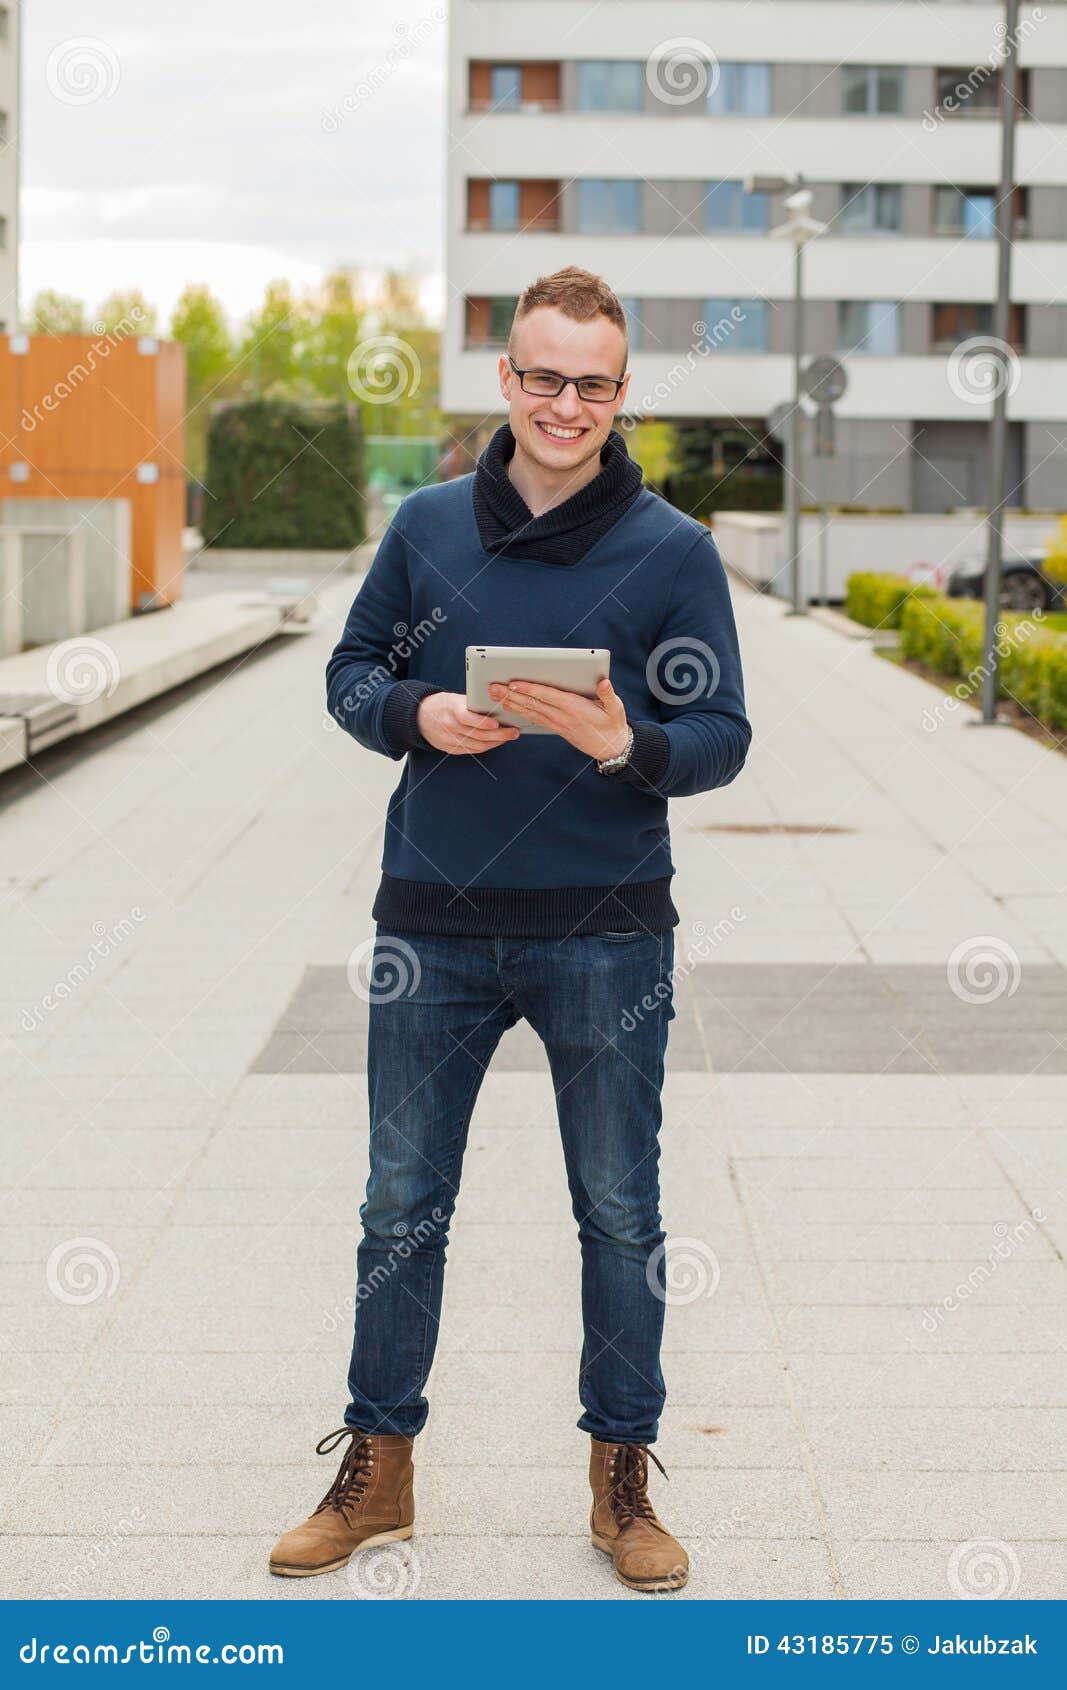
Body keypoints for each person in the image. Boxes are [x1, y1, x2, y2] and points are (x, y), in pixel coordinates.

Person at [270, 266, 751, 1593]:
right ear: (505, 379)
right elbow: (352, 673)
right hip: (431, 924)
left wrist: (629, 741)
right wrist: (411, 716)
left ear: (620, 394)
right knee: (400, 1203)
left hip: (607, 934)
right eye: (543, 375)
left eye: (592, 383)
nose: (564, 402)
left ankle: (621, 1478)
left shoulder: (672, 549)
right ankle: (378, 1469)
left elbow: (724, 738)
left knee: (618, 1206)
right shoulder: (427, 527)